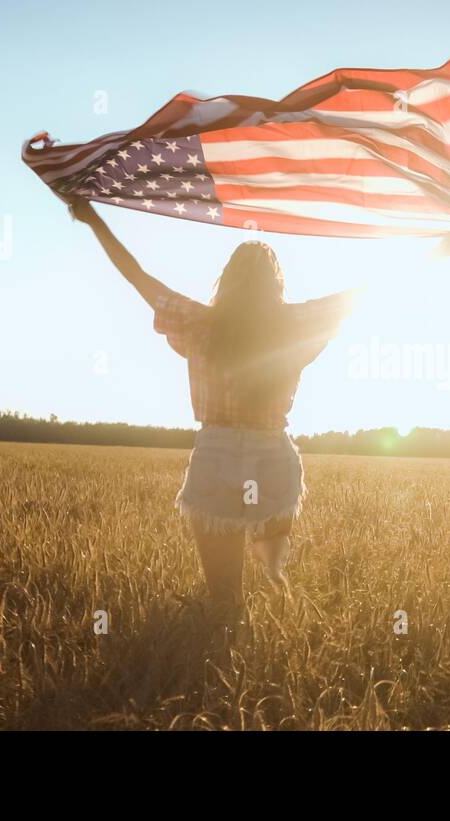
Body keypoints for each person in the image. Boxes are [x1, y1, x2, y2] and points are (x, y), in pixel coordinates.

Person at [69, 199, 356, 618]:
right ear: (276, 287)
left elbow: (136, 275)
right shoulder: (295, 325)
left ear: (228, 281)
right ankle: (273, 655)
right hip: (273, 457)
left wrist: (93, 219)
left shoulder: (198, 322)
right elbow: (362, 295)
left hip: (216, 453)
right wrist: (435, 252)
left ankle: (220, 653)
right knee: (275, 585)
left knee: (224, 601)